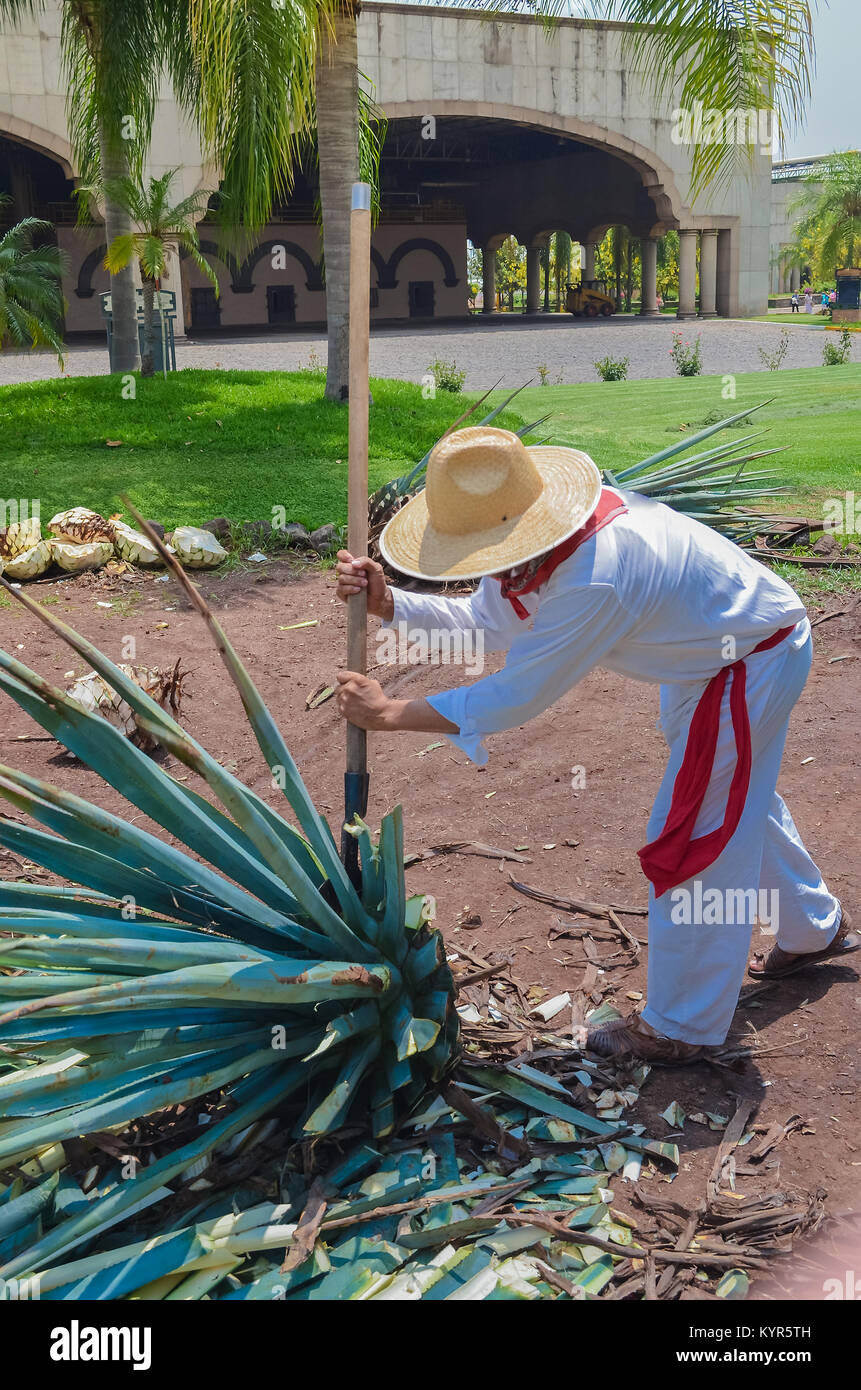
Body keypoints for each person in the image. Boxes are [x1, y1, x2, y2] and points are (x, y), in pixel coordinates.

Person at [335, 426, 857, 1064]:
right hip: (708, 659)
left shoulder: (594, 574)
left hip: (749, 660)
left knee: (695, 829)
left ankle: (681, 1027)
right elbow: (484, 621)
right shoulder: (531, 546)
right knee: (731, 798)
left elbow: (516, 695)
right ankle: (811, 929)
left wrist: (390, 713)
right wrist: (393, 605)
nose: (482, 566)